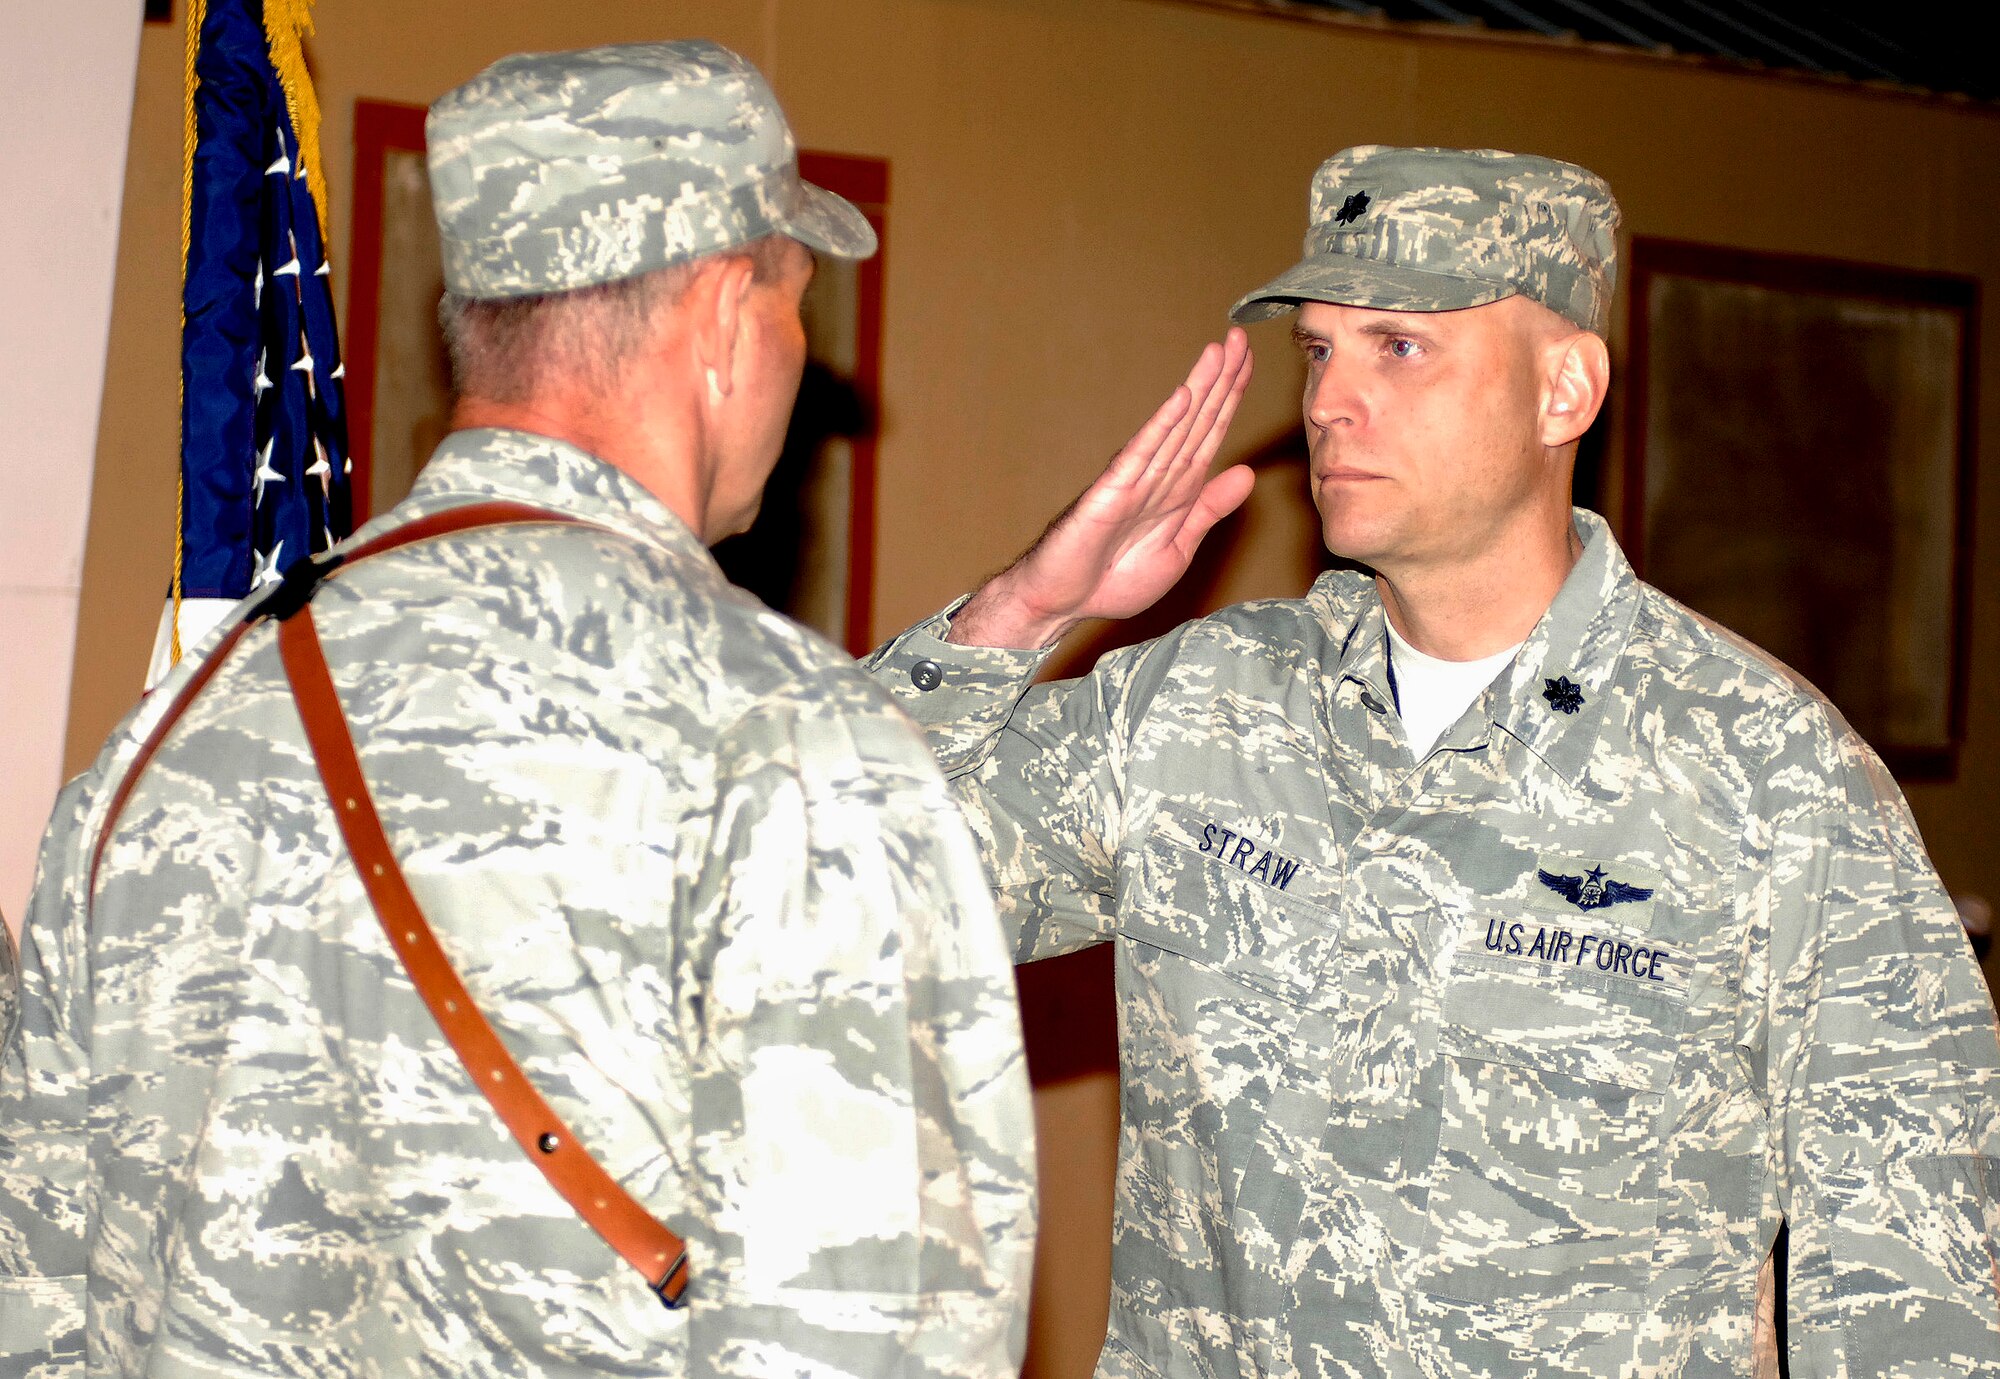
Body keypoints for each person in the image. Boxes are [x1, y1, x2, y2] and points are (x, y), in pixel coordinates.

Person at [866, 146, 2000, 1377]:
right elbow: (827, 884)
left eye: (1398, 346)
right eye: (1317, 351)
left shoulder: (1765, 773)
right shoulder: (1192, 709)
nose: (1329, 402)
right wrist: (1022, 610)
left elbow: (1917, 1294)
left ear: (1563, 389)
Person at [0, 42, 1034, 1377]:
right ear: (726, 318)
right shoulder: (796, 746)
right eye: (793, 303)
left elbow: (37, 1304)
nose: (795, 352)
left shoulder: (170, 733)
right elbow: (881, 1335)